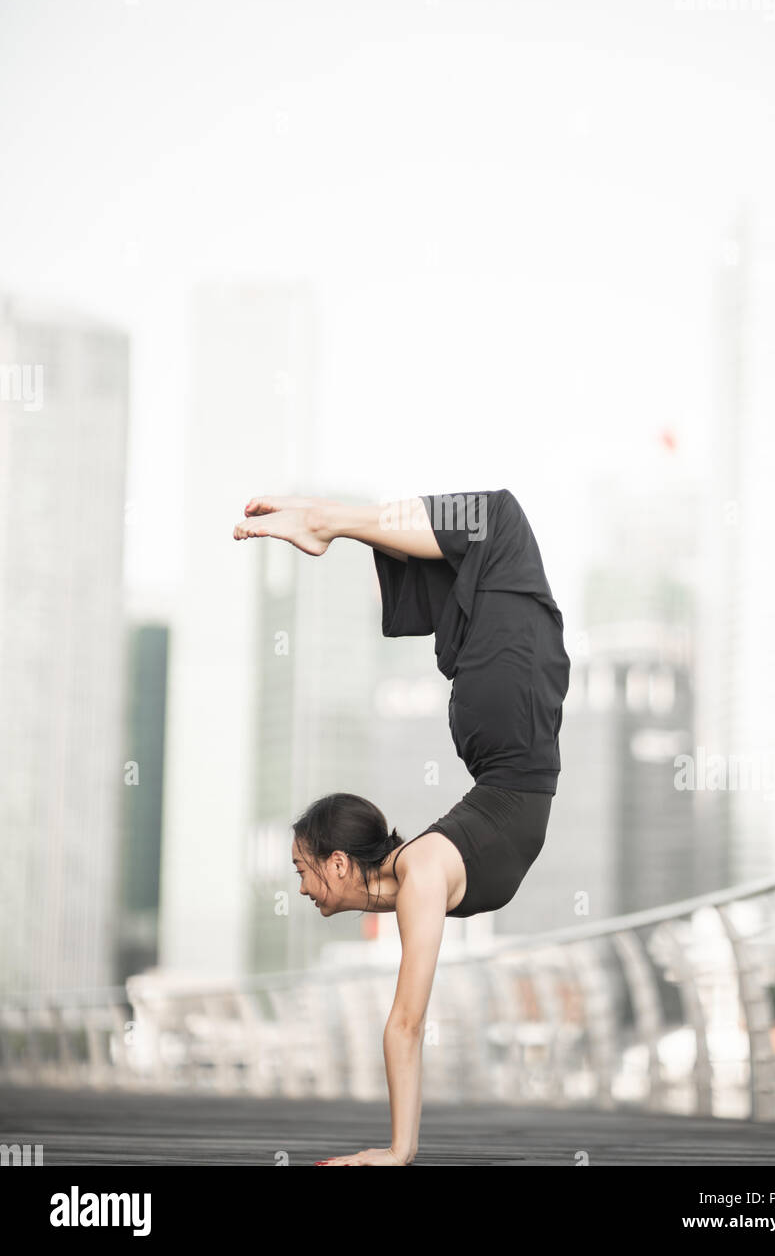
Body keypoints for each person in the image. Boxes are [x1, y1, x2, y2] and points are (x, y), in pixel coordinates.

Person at [233, 489, 571, 1165]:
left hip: (507, 733)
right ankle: (331, 522)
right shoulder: (420, 874)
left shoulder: (419, 876)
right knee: (486, 537)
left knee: (494, 522)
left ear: (335, 862)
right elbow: (408, 1023)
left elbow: (405, 1024)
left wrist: (397, 1152)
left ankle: (327, 521)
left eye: (302, 869)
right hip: (499, 729)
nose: (300, 888)